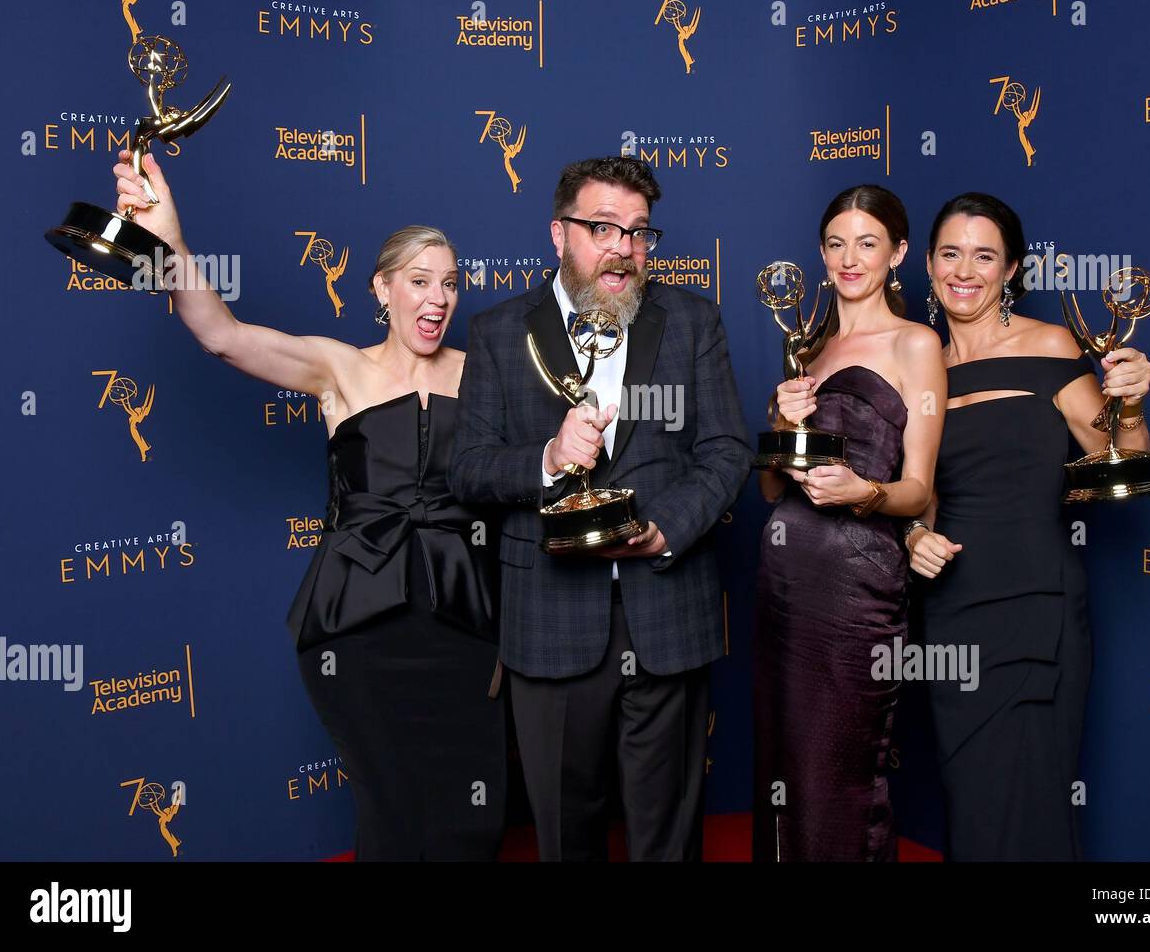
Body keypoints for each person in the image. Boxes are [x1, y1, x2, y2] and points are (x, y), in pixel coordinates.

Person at [111, 150, 505, 861]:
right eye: (419, 281)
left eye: (449, 283)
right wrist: (169, 241)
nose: (438, 298)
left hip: (463, 626)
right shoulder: (337, 366)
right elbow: (222, 336)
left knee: (470, 810)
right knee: (392, 810)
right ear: (381, 289)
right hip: (360, 628)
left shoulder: (484, 376)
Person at [448, 156, 751, 861]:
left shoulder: (691, 320)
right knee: (565, 833)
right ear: (558, 234)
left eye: (639, 232)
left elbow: (727, 451)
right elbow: (467, 470)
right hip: (550, 620)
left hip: (668, 614)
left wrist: (663, 528)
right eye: (603, 227)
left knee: (666, 837)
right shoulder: (498, 332)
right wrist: (549, 458)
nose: (624, 248)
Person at [906, 192, 1150, 861]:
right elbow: (916, 492)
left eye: (984, 255)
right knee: (975, 808)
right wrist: (911, 538)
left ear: (1011, 268)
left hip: (1036, 607)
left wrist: (1127, 399)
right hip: (951, 614)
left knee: (1032, 807)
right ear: (928, 264)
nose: (965, 270)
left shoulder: (1049, 344)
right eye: (951, 253)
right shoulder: (914, 360)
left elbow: (1124, 456)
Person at [752, 185, 945, 861]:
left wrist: (864, 492)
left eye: (867, 243)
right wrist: (782, 421)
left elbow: (918, 487)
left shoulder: (917, 344)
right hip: (786, 578)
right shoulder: (807, 343)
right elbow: (775, 483)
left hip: (856, 583)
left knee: (840, 767)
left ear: (897, 253)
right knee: (787, 762)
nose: (849, 258)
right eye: (836, 243)